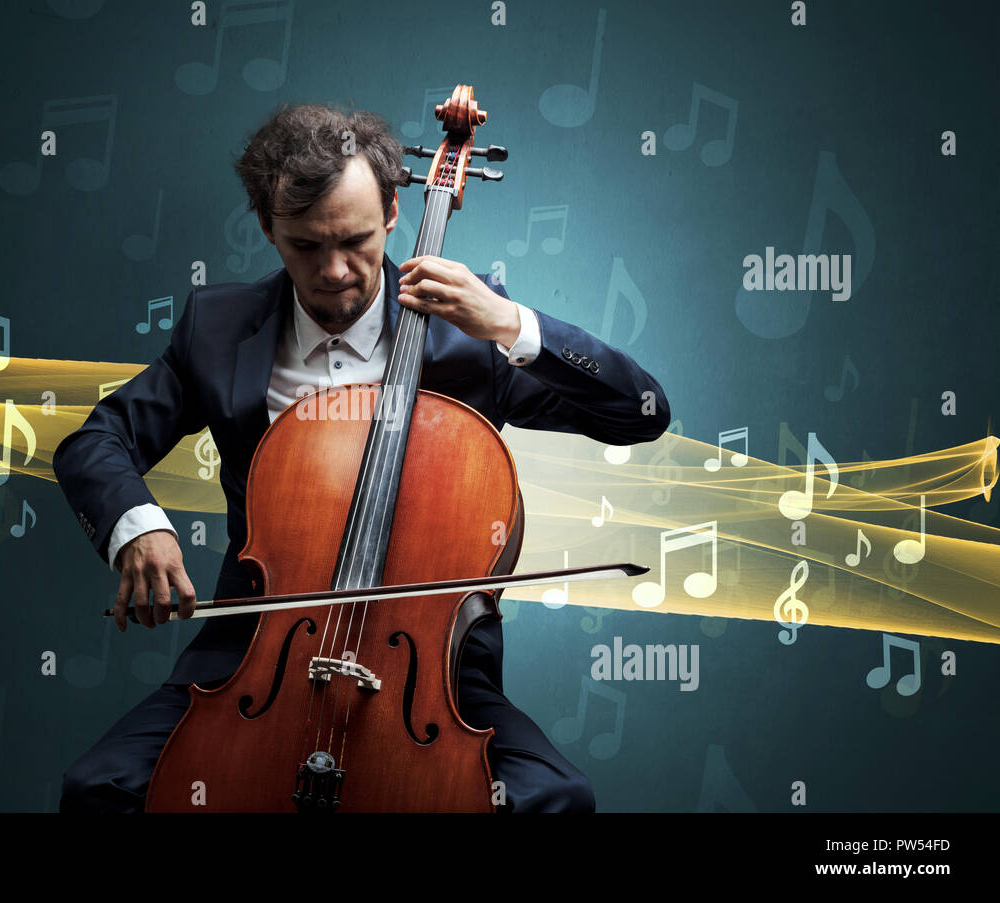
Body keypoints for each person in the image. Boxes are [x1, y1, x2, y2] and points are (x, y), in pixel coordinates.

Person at [52, 103, 671, 812]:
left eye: (354, 240)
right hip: (256, 661)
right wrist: (138, 523)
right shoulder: (218, 328)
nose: (335, 271)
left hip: (427, 677)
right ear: (267, 228)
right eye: (306, 246)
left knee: (556, 799)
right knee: (98, 788)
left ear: (394, 212)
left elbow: (641, 412)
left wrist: (511, 324)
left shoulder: (469, 338)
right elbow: (97, 438)